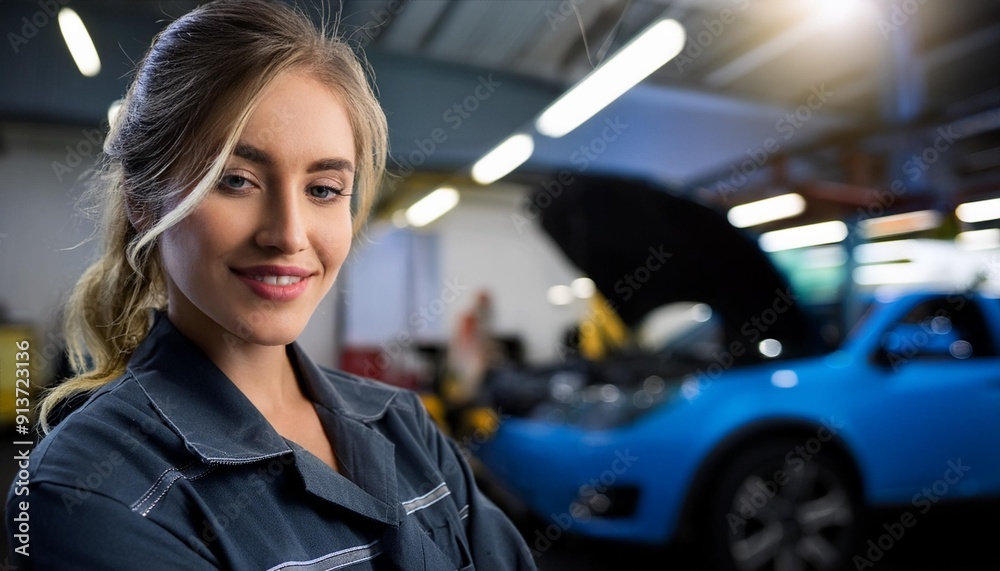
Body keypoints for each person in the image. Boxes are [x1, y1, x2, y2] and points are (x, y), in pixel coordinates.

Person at [5, 1, 536, 569]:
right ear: (143, 200)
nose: (289, 234)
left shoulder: (403, 423)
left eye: (325, 189)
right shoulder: (87, 492)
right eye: (236, 180)